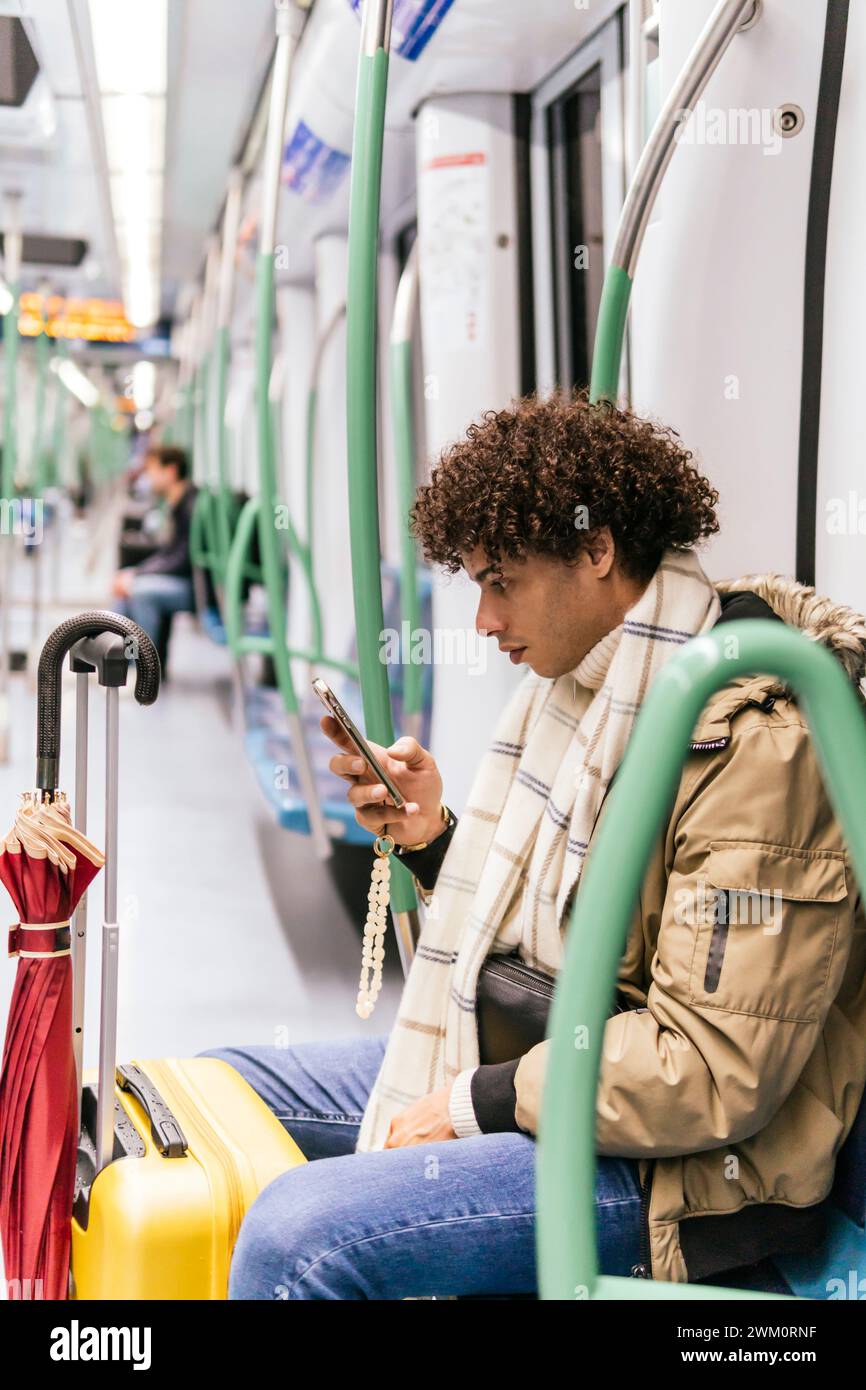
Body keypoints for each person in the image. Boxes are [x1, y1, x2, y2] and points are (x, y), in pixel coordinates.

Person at [202, 394, 866, 1300]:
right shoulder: (591, 689)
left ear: (597, 552)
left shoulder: (755, 743)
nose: (482, 620)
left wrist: (477, 1102)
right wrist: (433, 842)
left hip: (685, 1182)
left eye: (500, 581)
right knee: (214, 1089)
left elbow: (714, 1067)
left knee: (299, 1242)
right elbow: (568, 940)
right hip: (556, 1073)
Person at [110, 444, 197, 649]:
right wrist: (135, 573)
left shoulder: (191, 507)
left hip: (195, 587)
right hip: (184, 580)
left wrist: (137, 575)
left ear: (170, 471)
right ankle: (124, 660)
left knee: (141, 592)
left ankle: (145, 667)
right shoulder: (178, 504)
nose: (148, 477)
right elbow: (169, 553)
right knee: (125, 589)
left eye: (152, 470)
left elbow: (182, 559)